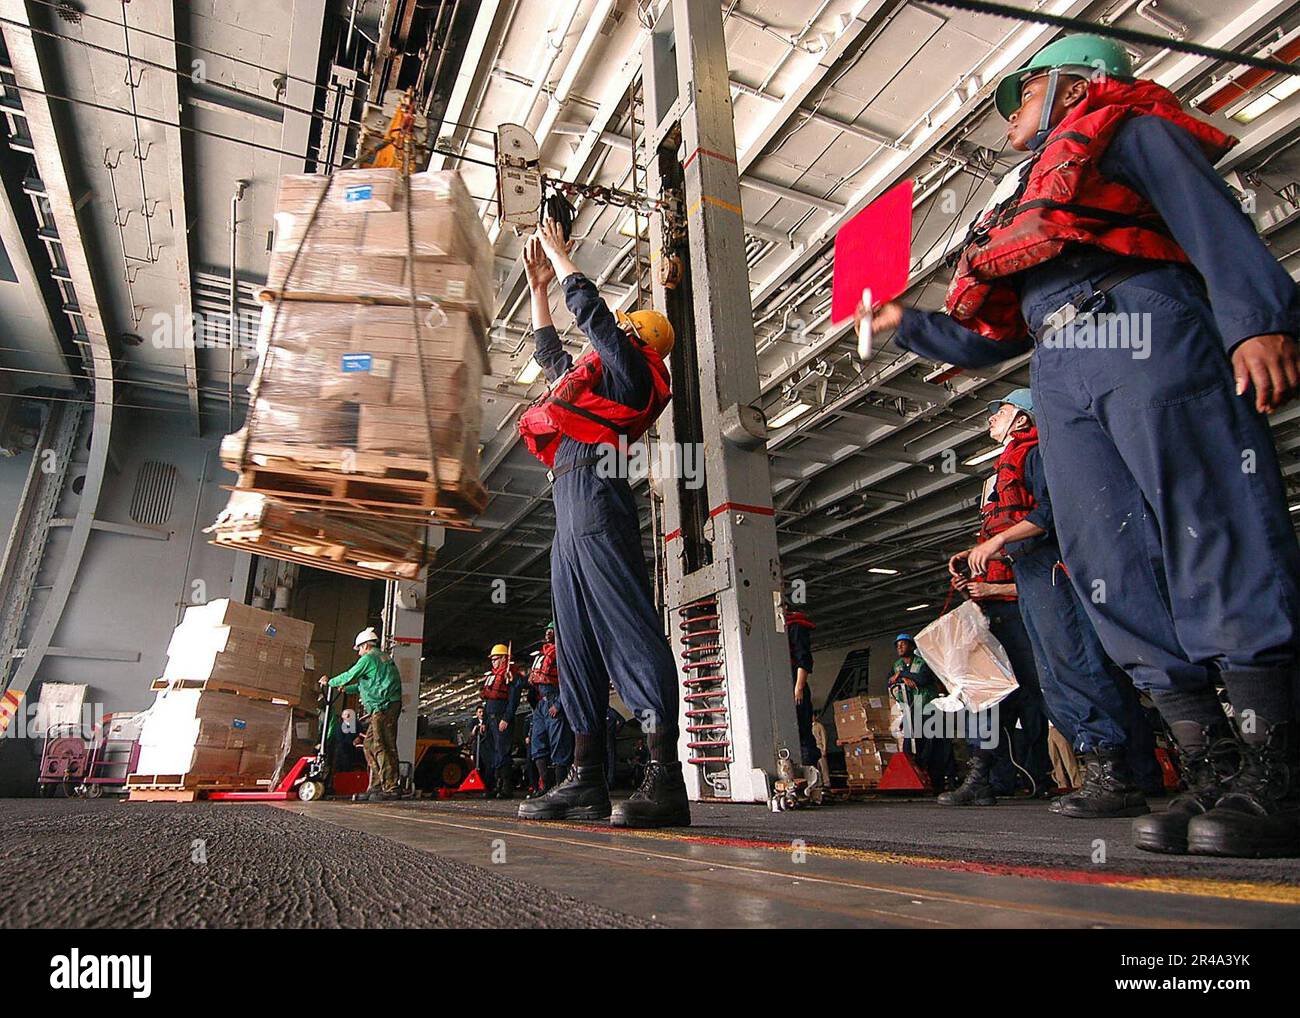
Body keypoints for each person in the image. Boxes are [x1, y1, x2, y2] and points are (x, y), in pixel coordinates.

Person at [858, 33, 1300, 857]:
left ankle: (1277, 770)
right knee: (1108, 560)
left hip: (1143, 321)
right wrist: (909, 326)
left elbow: (1210, 217)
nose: (1014, 113)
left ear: (1075, 82)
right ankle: (1211, 766)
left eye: (1023, 93)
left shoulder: (1125, 130)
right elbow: (994, 339)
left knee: (1210, 520)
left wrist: (1258, 320)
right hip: (1059, 359)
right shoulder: (1026, 194)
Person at [515, 219, 689, 828]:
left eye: (613, 335)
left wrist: (564, 260)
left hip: (596, 495)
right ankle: (586, 778)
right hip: (568, 506)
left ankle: (665, 779)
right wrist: (538, 286)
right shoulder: (591, 384)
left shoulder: (630, 370)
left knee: (627, 629)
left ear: (635, 337)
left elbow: (593, 320)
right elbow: (550, 358)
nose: (592, 348)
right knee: (575, 641)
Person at [958, 389, 1160, 819]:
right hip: (1029, 572)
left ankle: (1117, 774)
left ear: (1022, 418)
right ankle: (1103, 771)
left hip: (1052, 568)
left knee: (1078, 662)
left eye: (1000, 410)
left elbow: (1051, 515)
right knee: (1054, 674)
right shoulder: (1005, 466)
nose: (991, 418)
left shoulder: (1040, 455)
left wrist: (998, 541)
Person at [321, 627, 402, 802]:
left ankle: (391, 786)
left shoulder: (369, 658)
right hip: (383, 706)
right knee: (369, 745)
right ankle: (376, 786)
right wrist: (345, 689)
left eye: (359, 649)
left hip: (383, 707)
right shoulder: (381, 658)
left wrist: (331, 682)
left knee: (382, 744)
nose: (358, 653)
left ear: (365, 645)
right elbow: (363, 685)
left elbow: (350, 675)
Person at [887, 634, 952, 791]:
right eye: (898, 645)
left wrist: (902, 675)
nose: (900, 647)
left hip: (928, 709)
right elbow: (890, 681)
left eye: (903, 644)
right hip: (911, 711)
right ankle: (913, 779)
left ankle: (937, 783)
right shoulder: (896, 665)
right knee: (909, 746)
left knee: (932, 746)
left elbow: (923, 679)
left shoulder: (922, 663)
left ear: (911, 646)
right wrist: (903, 678)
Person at [524, 621, 573, 798]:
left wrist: (559, 704)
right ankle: (546, 785)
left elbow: (568, 680)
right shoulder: (541, 655)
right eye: (547, 631)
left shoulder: (563, 652)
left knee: (559, 745)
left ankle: (560, 788)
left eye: (551, 630)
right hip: (540, 704)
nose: (548, 634)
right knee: (537, 744)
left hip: (554, 700)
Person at [480, 643, 526, 799]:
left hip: (501, 717)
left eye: (496, 659)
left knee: (503, 752)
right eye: (492, 659)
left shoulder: (511, 676)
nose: (493, 662)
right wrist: (484, 722)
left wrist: (506, 718)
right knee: (493, 753)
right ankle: (497, 784)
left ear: (505, 659)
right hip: (491, 717)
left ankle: (506, 787)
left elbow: (514, 700)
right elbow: (487, 701)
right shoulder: (492, 676)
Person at [785, 606, 820, 769]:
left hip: (794, 682)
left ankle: (809, 769)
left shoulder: (796, 626)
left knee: (802, 727)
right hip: (785, 680)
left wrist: (798, 687)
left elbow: (803, 658)